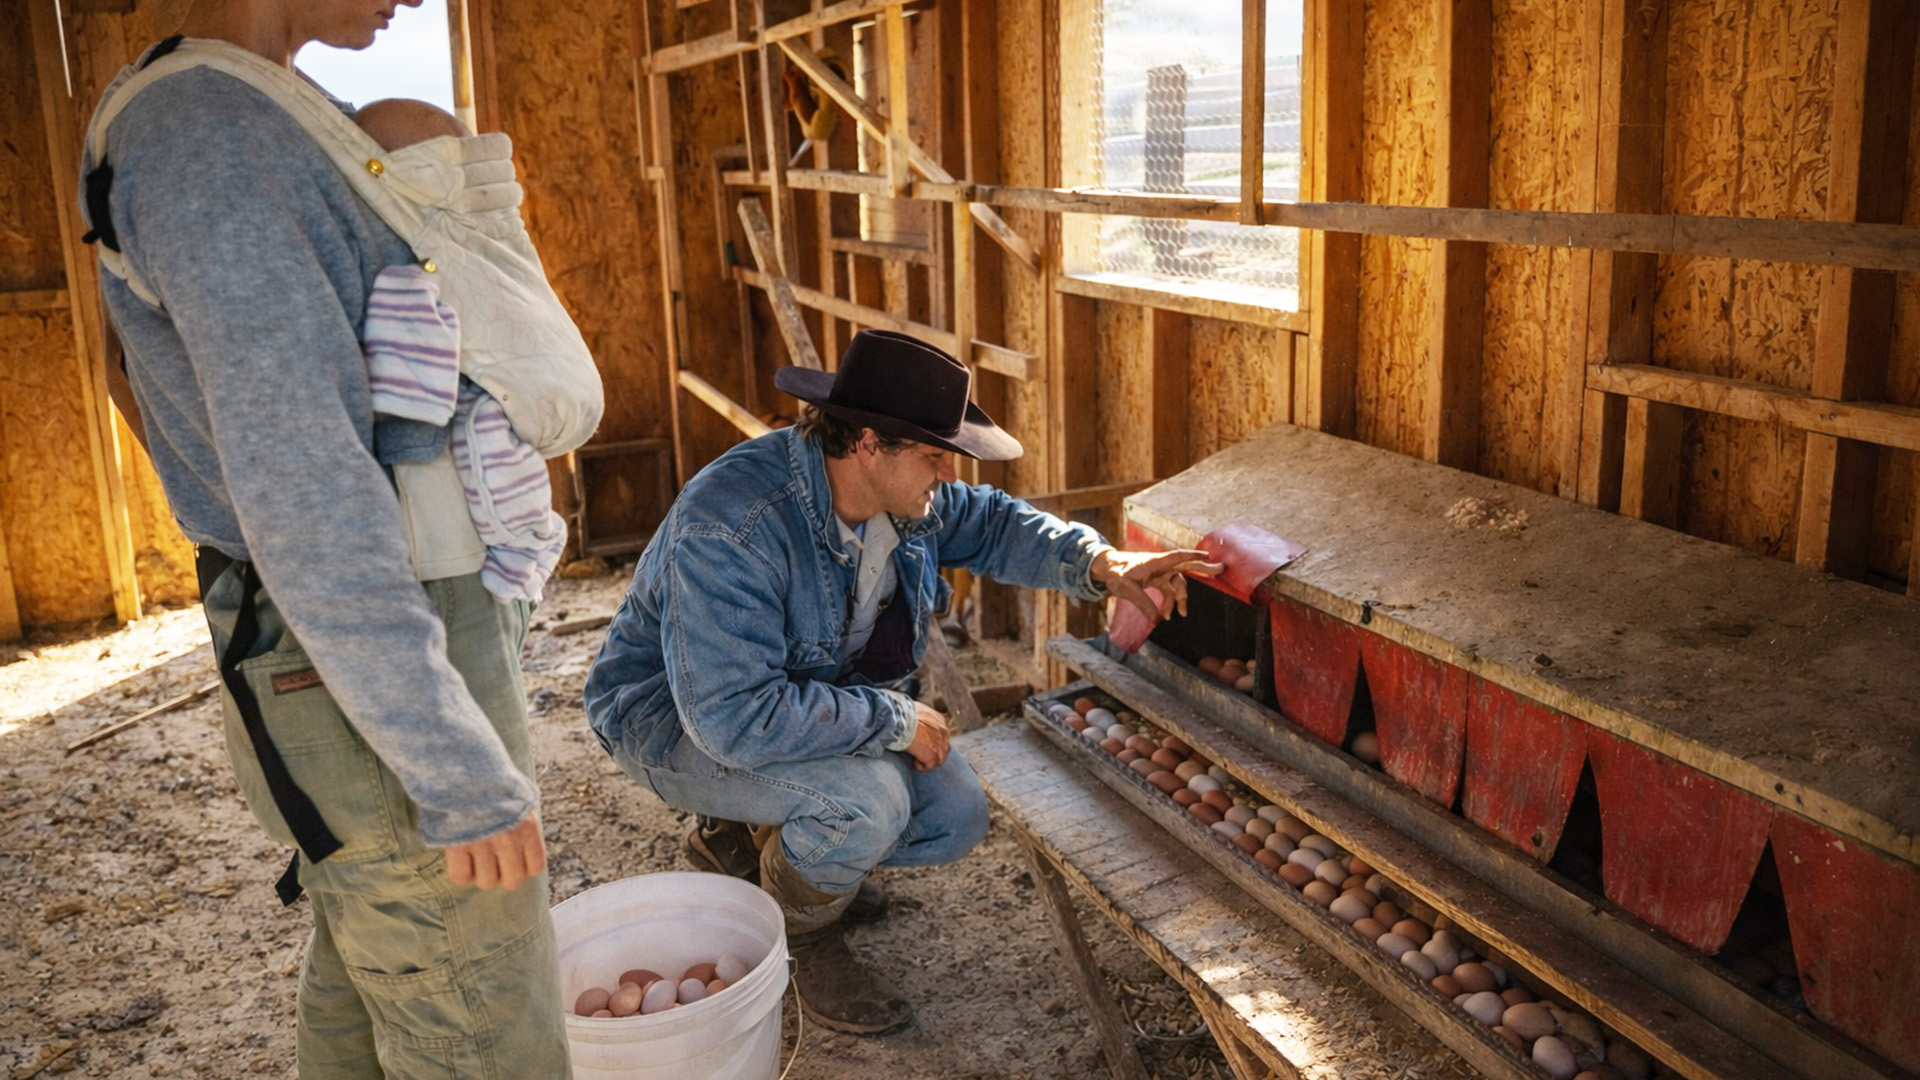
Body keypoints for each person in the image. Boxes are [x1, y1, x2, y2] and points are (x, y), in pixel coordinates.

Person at [80, 2, 572, 1076]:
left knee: (377, 959)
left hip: (345, 639)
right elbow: (301, 475)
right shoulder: (208, 135)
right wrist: (451, 763)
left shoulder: (253, 114)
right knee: (485, 1022)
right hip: (364, 640)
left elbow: (134, 382)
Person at [585, 329, 1221, 1035]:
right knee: (867, 805)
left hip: (799, 705)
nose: (945, 474)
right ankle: (802, 936)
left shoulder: (900, 494)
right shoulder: (733, 526)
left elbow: (993, 525)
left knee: (955, 818)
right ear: (865, 442)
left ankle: (745, 840)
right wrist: (892, 720)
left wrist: (1102, 563)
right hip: (673, 721)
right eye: (932, 455)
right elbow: (732, 717)